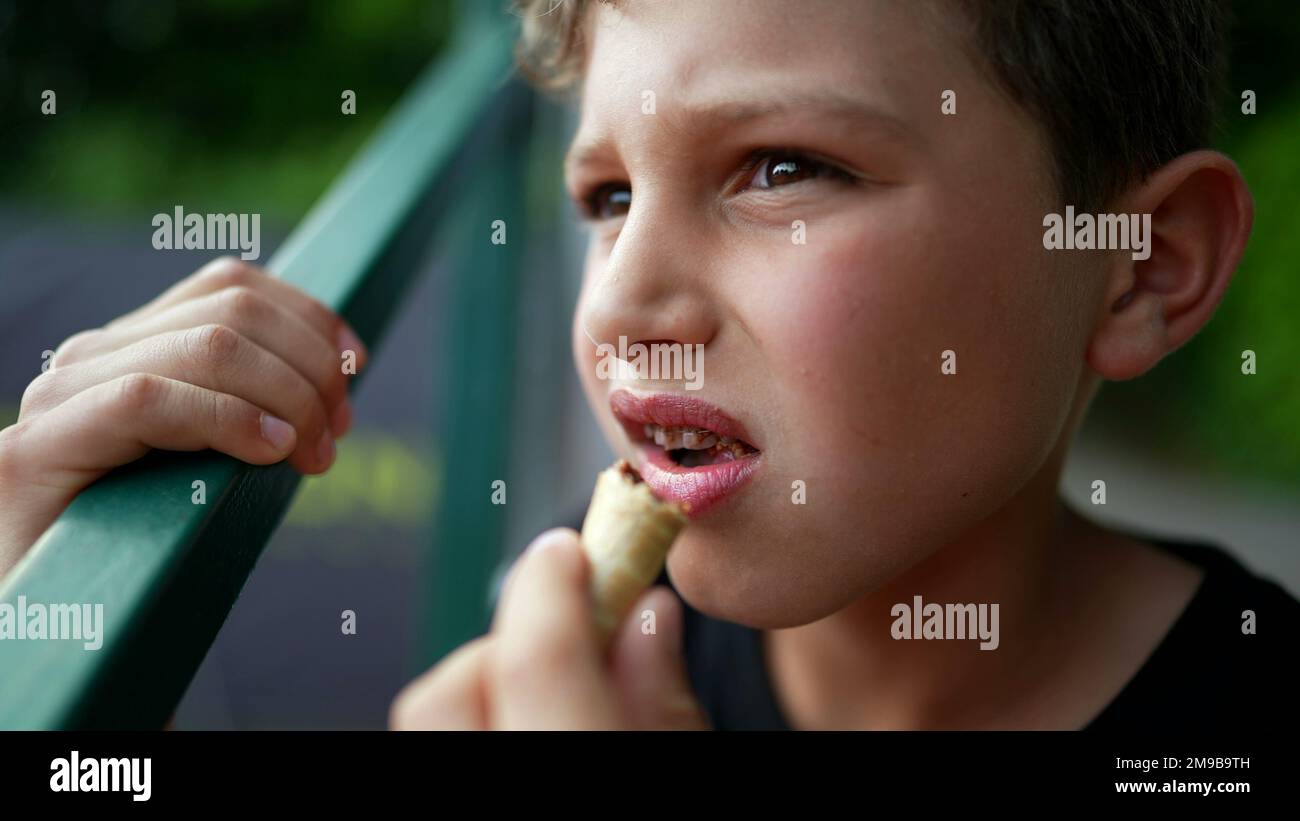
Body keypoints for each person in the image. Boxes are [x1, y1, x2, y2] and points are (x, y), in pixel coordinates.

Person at [3, 0, 1295, 730]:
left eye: (784, 169)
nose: (621, 302)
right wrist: (32, 601)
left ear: (1138, 263)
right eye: (607, 195)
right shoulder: (593, 619)